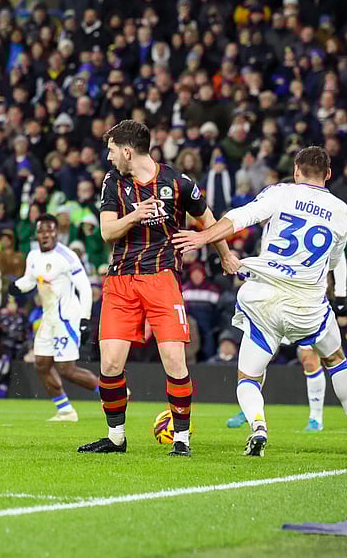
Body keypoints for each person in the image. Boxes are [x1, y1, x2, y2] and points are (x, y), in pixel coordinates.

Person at [174, 147, 347, 457]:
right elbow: (334, 260)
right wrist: (337, 291)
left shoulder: (281, 192)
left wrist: (203, 238)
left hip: (263, 298)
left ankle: (258, 425)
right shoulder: (341, 210)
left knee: (248, 377)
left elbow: (240, 216)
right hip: (305, 304)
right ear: (328, 174)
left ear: (296, 171)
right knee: (335, 359)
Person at [78, 120, 238, 457]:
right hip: (120, 280)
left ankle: (181, 440)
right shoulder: (113, 182)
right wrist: (134, 217)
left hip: (163, 278)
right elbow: (108, 232)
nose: (108, 158)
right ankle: (116, 438)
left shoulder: (177, 182)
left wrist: (224, 254)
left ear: (127, 150)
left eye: (111, 151)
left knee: (174, 361)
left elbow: (207, 220)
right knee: (109, 364)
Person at [9, 214, 97, 421]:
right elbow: (30, 280)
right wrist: (16, 287)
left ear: (57, 232)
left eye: (49, 230)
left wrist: (85, 319)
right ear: (36, 234)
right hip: (48, 318)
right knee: (41, 363)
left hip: (67, 317)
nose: (45, 235)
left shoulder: (66, 257)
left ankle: (113, 394)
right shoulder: (33, 256)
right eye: (41, 231)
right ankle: (65, 410)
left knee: (67, 369)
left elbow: (84, 287)